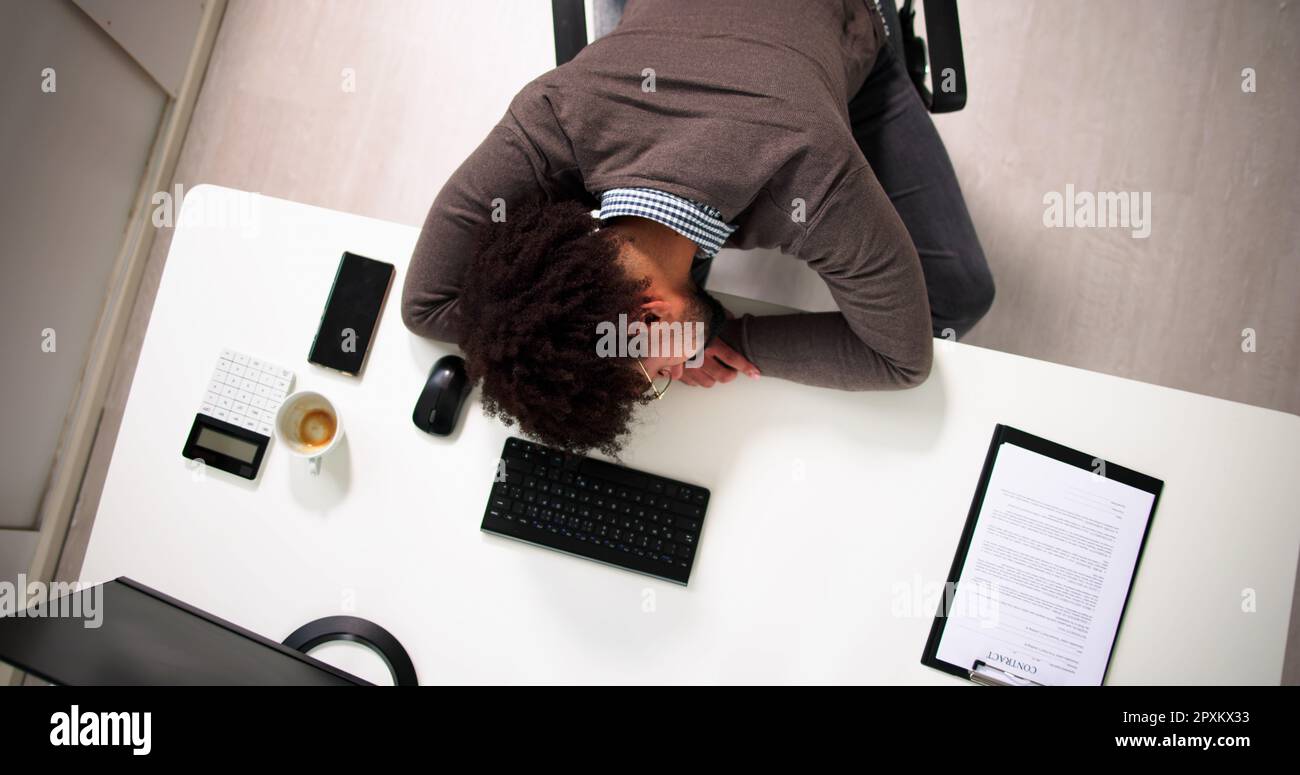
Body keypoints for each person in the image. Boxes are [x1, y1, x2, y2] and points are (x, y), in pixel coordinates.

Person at [402, 0, 994, 455]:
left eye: (657, 375)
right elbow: (426, 305)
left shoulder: (812, 180)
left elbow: (901, 361)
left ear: (653, 314)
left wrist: (730, 341)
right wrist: (527, 329)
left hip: (845, 45)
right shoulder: (552, 114)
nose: (674, 376)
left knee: (959, 294)